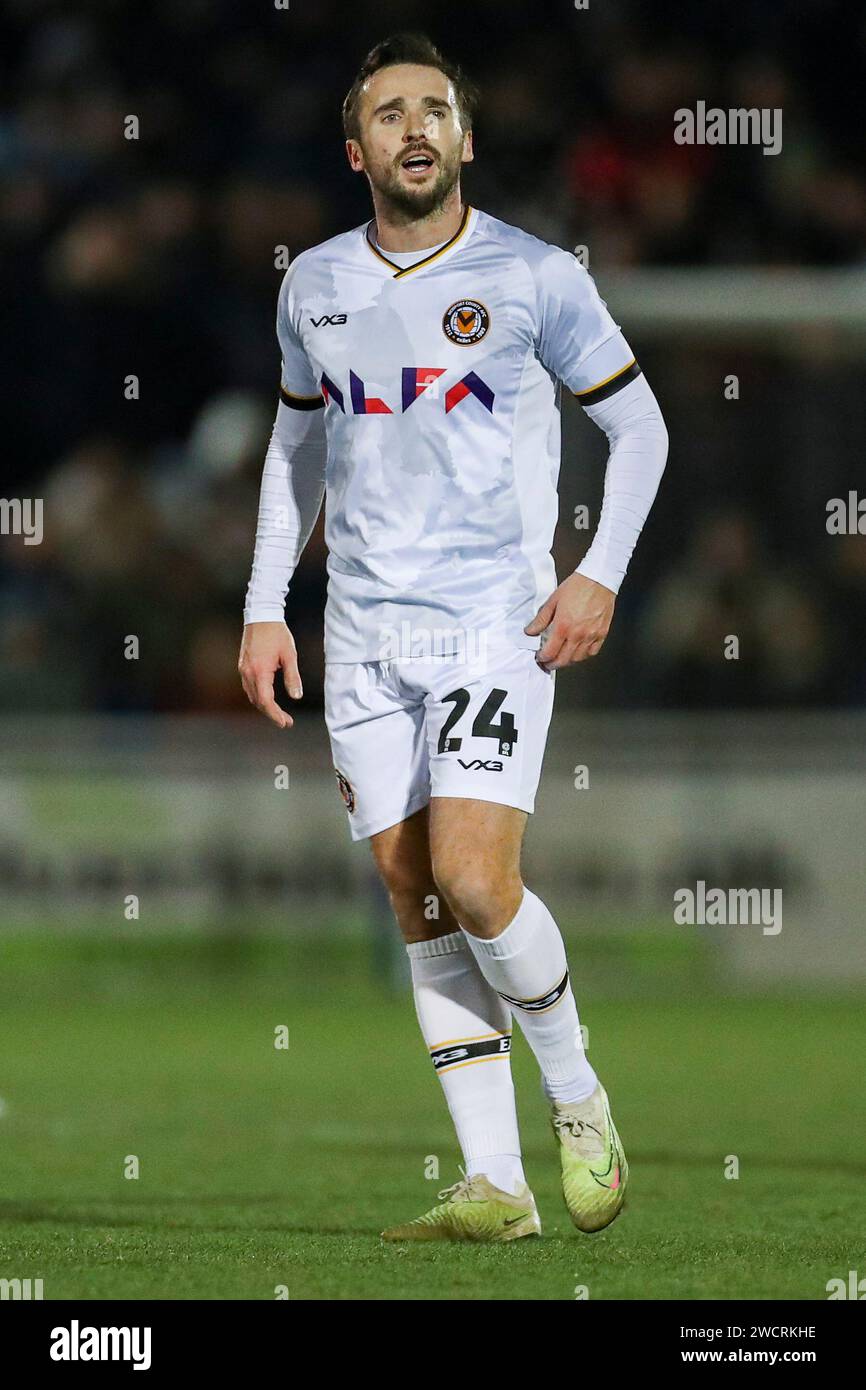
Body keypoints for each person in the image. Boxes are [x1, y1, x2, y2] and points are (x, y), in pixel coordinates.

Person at [239, 32, 668, 1241]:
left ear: (465, 139)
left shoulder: (534, 275)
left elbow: (641, 433)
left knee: (474, 878)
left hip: (491, 628)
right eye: (388, 114)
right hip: (362, 639)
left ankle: (577, 1097)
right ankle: (497, 1182)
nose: (414, 128)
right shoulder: (312, 284)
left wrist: (597, 576)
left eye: (434, 109)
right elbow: (295, 447)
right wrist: (265, 604)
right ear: (355, 149)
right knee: (412, 894)